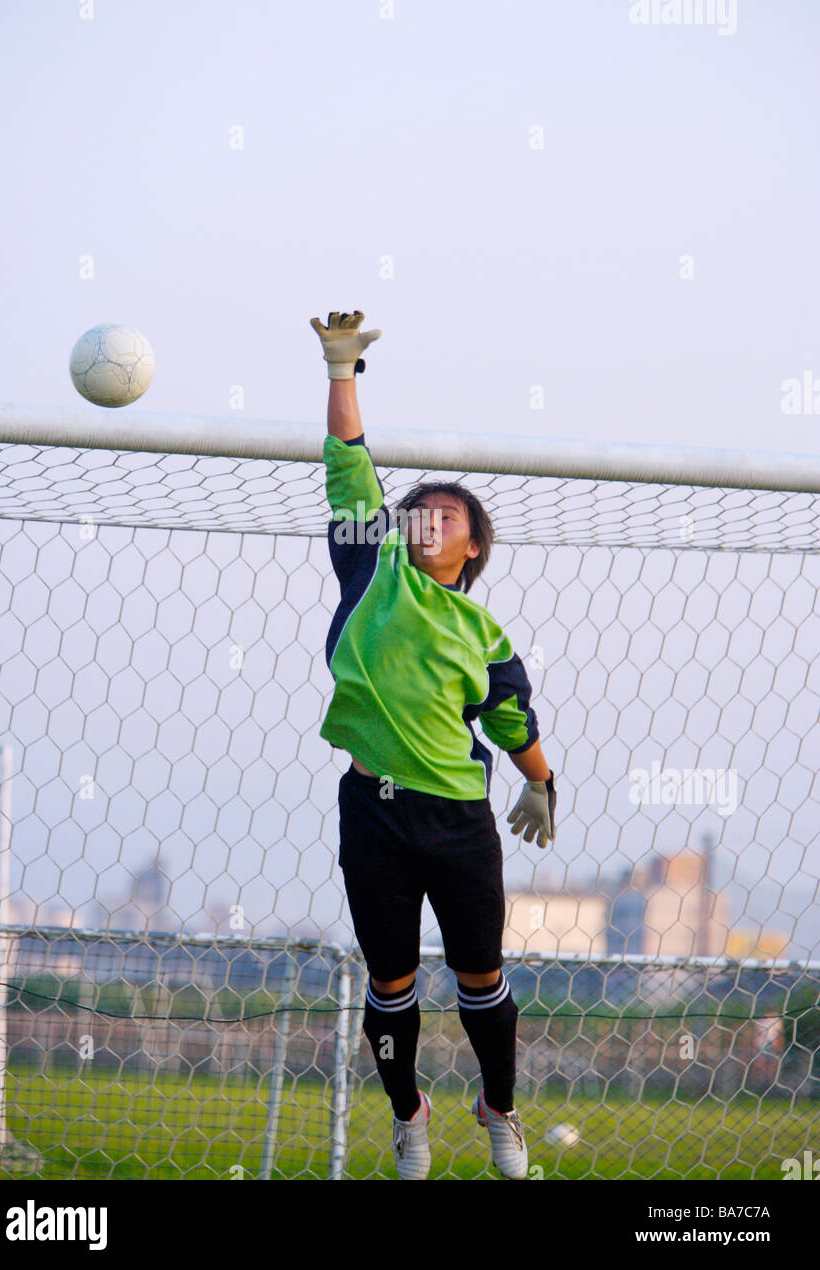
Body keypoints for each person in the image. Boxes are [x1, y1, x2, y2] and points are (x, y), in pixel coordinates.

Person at [313, 310, 557, 1180]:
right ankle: (409, 1113)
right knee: (389, 985)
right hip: (371, 811)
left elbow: (514, 720)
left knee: (480, 976)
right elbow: (350, 470)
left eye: (444, 512)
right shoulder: (369, 567)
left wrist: (542, 785)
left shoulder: (480, 629)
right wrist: (343, 370)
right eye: (415, 507)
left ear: (473, 544)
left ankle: (499, 1106)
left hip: (458, 818)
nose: (423, 517)